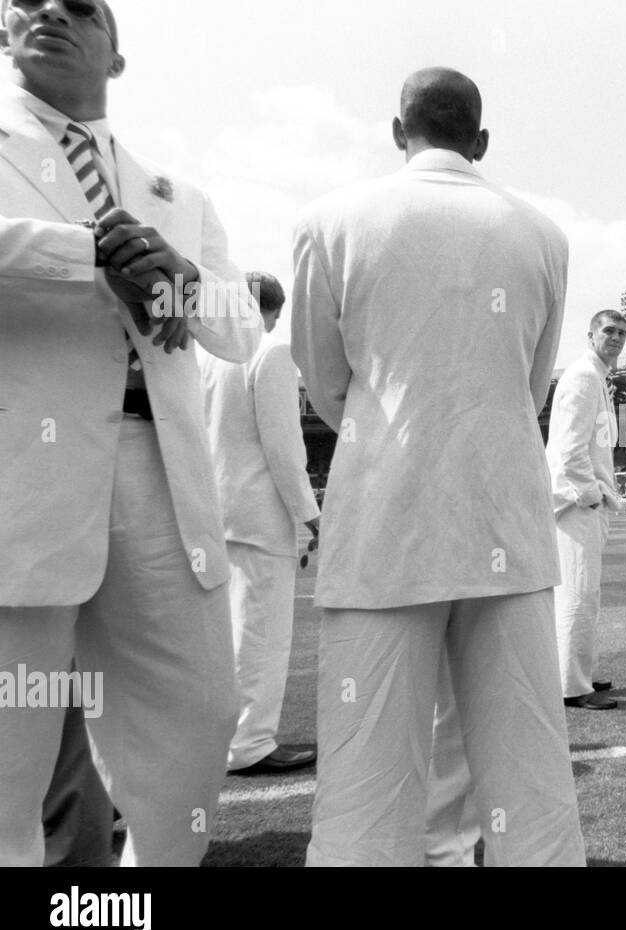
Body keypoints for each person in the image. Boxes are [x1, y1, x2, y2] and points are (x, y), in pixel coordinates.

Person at [292, 67, 585, 865]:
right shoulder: (543, 233)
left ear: (398, 131)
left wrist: (390, 430)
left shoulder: (330, 219)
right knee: (531, 785)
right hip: (506, 519)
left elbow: (324, 383)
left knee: (366, 784)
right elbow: (530, 387)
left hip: (385, 518)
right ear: (481, 141)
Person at [0, 0, 261, 865]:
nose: (50, 15)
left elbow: (239, 330)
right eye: (28, 4)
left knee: (199, 711)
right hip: (22, 476)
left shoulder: (178, 196)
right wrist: (91, 256)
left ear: (117, 58)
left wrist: (183, 282)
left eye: (79, 9)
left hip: (161, 476)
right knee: (9, 753)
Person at [198, 271, 321, 771]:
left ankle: (226, 737)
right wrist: (308, 515)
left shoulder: (202, 356)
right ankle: (250, 744)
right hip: (258, 517)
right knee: (262, 636)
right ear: (269, 312)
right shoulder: (268, 354)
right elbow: (284, 448)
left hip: (213, 514)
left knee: (227, 635)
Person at [545, 309, 626, 710]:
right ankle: (573, 687)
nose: (615, 337)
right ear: (590, 334)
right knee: (578, 594)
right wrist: (589, 494)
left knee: (585, 593)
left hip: (584, 502)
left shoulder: (595, 377)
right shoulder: (582, 377)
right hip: (577, 504)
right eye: (608, 331)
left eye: (621, 332)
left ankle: (580, 673)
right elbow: (570, 449)